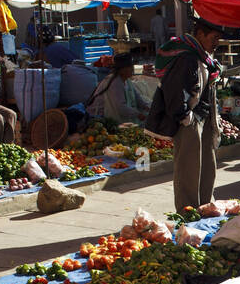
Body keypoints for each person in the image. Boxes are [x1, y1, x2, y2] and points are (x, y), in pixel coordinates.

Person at [147, 17, 223, 213]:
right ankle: (188, 211)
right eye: (214, 38)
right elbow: (175, 89)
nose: (216, 43)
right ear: (200, 34)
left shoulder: (202, 57)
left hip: (202, 116)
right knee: (189, 168)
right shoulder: (186, 57)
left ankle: (205, 205)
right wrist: (183, 115)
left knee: (206, 163)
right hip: (188, 119)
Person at [87, 53, 148, 124]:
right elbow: (121, 108)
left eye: (132, 66)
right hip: (98, 117)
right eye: (129, 67)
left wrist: (146, 107)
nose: (132, 69)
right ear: (121, 70)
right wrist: (138, 114)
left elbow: (136, 96)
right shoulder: (115, 82)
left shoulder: (126, 80)